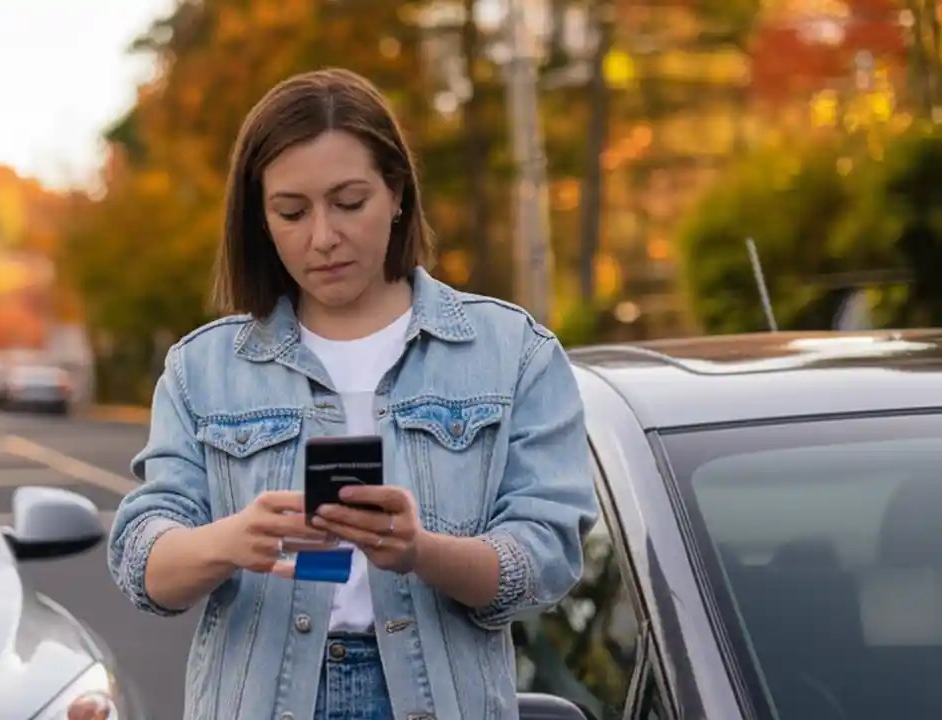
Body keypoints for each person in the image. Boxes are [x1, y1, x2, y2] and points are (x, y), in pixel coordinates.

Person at [102, 67, 599, 720]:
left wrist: (423, 552)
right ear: (259, 218)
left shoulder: (511, 353)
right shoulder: (203, 368)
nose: (323, 238)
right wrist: (230, 540)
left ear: (397, 192)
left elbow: (548, 560)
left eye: (349, 201)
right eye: (292, 212)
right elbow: (143, 566)